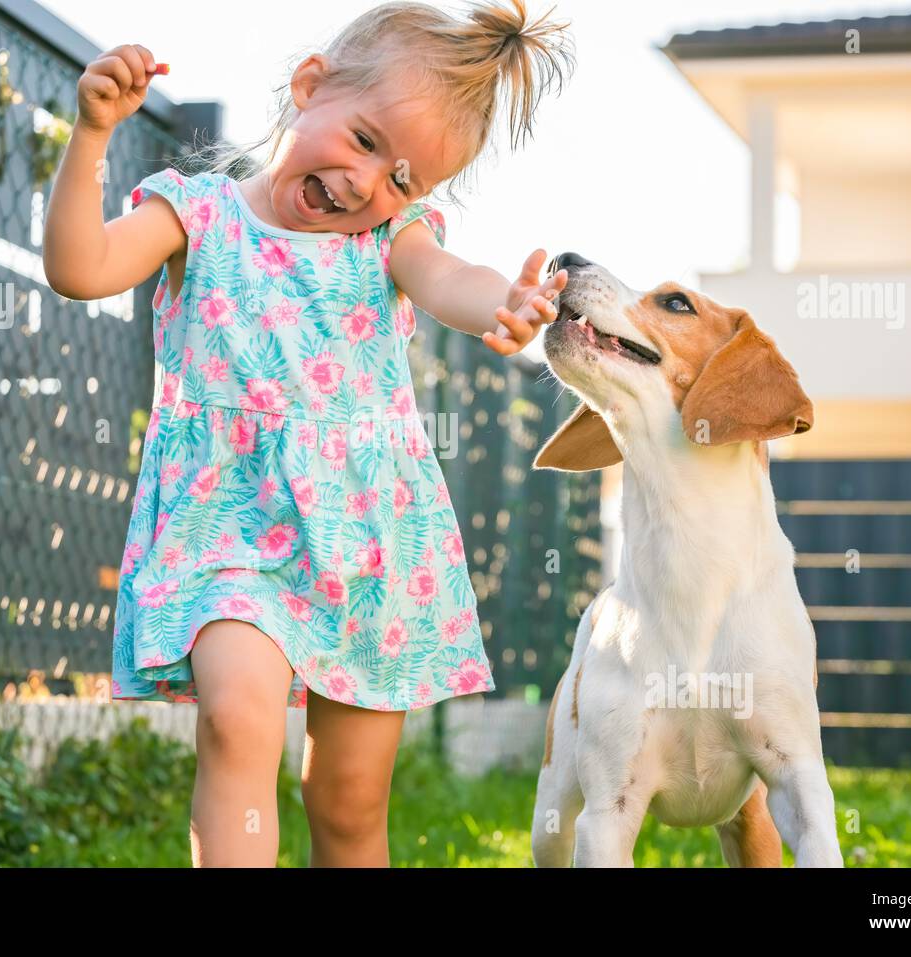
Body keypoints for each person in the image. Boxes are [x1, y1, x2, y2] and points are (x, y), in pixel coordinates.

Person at [42, 0, 575, 867]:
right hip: (229, 529)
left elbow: (447, 279)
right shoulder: (196, 214)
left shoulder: (388, 242)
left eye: (403, 178)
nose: (369, 185)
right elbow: (79, 268)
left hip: (365, 541)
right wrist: (93, 135)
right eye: (364, 141)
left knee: (349, 803)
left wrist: (503, 308)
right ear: (309, 86)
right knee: (237, 718)